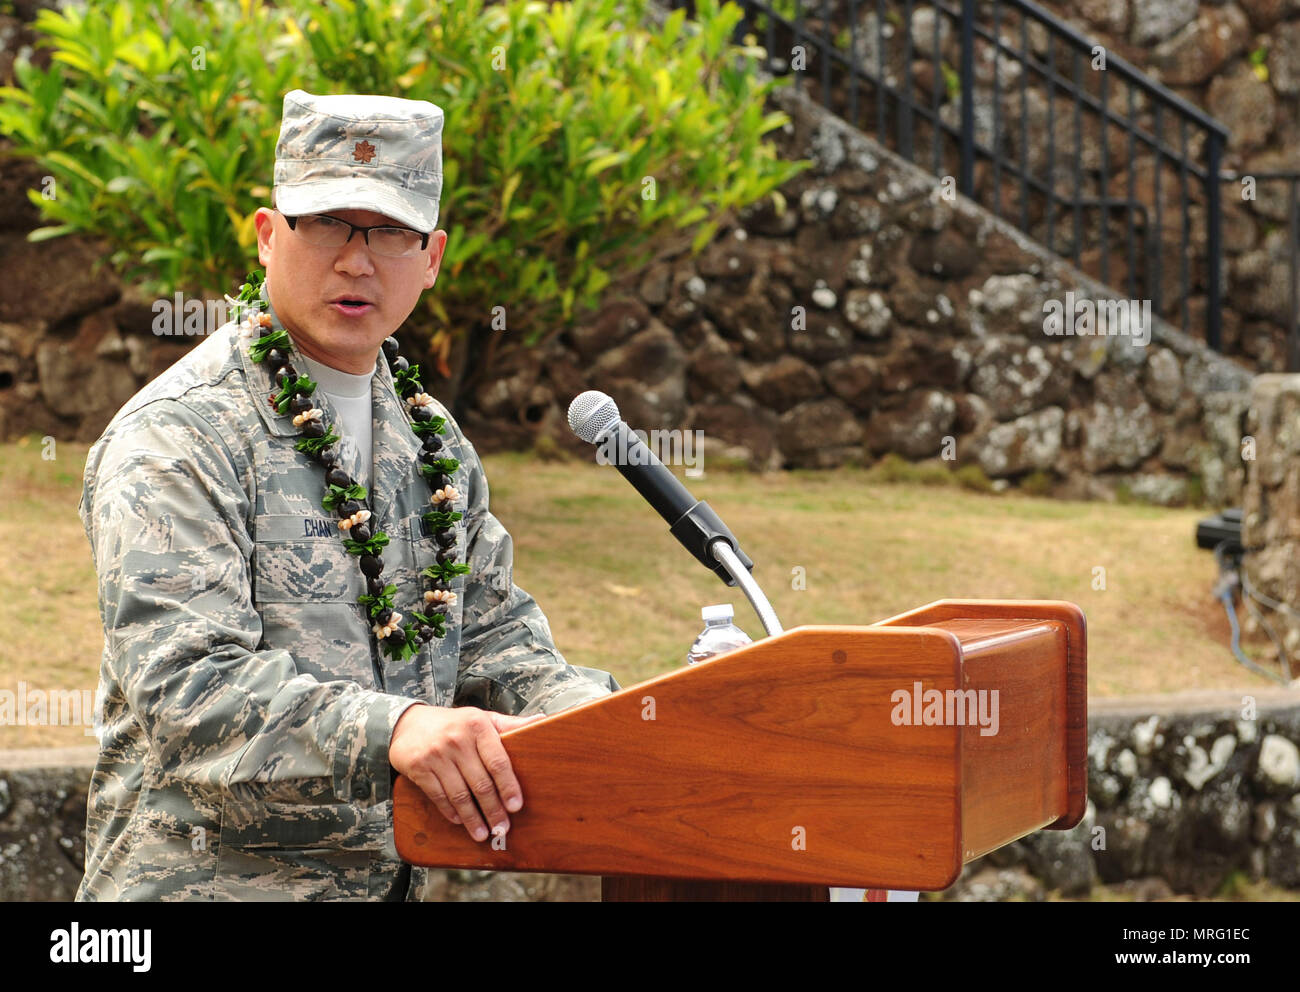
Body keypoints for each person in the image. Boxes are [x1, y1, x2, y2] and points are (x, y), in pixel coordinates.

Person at [75, 89, 618, 901]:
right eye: (326, 222)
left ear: (432, 258)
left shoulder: (431, 442)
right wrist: (396, 729)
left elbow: (496, 643)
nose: (357, 260)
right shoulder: (180, 436)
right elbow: (190, 690)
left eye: (390, 231)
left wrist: (623, 724)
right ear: (267, 237)